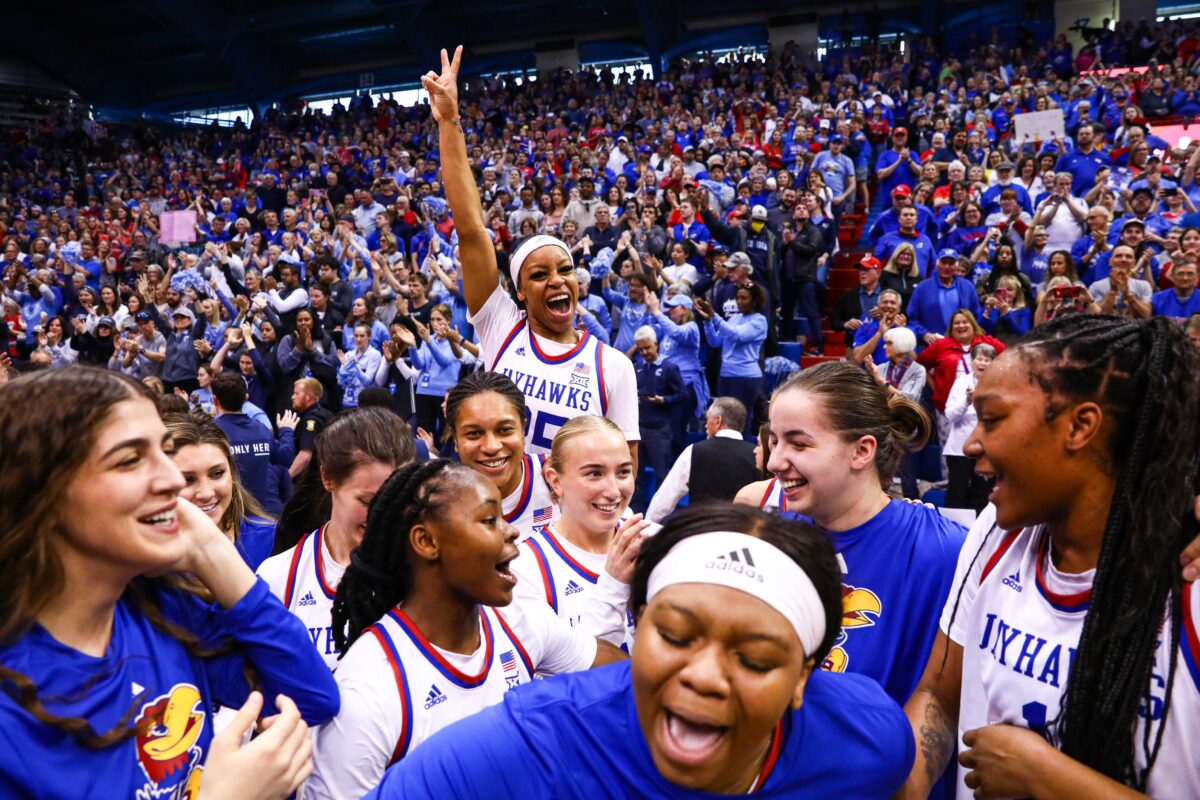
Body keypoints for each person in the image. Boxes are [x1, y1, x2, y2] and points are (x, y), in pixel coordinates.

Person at [362, 502, 915, 799]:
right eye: (674, 635)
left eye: (753, 659)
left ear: (802, 678)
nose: (703, 676)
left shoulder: (868, 738)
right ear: (640, 623)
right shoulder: (526, 746)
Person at [899, 315, 1200, 799]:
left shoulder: (1189, 580)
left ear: (1080, 425)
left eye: (992, 419)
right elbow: (939, 691)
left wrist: (1046, 776)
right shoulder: (994, 530)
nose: (972, 443)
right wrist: (902, 782)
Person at [0, 368, 338, 798]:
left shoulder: (160, 608)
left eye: (163, 451)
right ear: (40, 493)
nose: (174, 481)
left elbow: (312, 697)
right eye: (130, 460)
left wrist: (212, 552)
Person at [305, 459, 627, 799]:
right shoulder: (367, 692)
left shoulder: (518, 616)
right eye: (489, 520)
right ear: (426, 541)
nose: (512, 531)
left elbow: (617, 674)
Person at [426, 47, 638, 457]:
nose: (557, 280)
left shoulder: (614, 366)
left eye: (565, 270)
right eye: (539, 275)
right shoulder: (502, 326)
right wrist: (449, 121)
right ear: (519, 292)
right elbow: (470, 229)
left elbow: (623, 469)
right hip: (496, 499)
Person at [259, 406, 415, 670]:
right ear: (327, 478)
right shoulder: (279, 577)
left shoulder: (427, 573)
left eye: (399, 499)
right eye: (368, 501)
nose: (384, 515)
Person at [513, 415, 651, 650]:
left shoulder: (652, 541)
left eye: (623, 472)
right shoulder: (526, 570)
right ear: (555, 481)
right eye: (594, 473)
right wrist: (615, 585)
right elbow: (571, 669)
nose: (613, 491)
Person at [443, 371, 557, 540]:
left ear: (523, 431)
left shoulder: (560, 478)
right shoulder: (440, 504)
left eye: (504, 430)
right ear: (455, 439)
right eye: (474, 433)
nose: (491, 447)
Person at [164, 412, 276, 571]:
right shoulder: (144, 565)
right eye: (187, 480)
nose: (206, 493)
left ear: (232, 474)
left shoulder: (271, 539)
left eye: (217, 473)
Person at [645, 397, 758, 523]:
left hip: (700, 529)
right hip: (742, 530)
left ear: (718, 421)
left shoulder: (694, 451)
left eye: (707, 419)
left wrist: (647, 525)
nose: (705, 425)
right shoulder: (756, 455)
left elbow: (666, 497)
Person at [211, 371, 297, 515]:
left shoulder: (211, 432)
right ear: (246, 398)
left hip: (225, 514)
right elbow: (285, 457)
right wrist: (286, 431)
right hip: (257, 515)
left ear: (215, 400)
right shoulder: (260, 429)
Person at [694, 283, 768, 437]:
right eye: (738, 298)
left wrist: (714, 316)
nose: (739, 302)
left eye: (744, 298)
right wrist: (708, 322)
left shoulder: (759, 321)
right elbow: (715, 341)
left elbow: (737, 335)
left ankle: (744, 452)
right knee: (725, 421)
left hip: (746, 378)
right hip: (726, 375)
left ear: (754, 301)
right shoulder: (733, 319)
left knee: (741, 422)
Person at [867, 327, 927, 500]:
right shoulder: (880, 368)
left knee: (908, 479)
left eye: (889, 343)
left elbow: (909, 399)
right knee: (881, 475)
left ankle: (912, 511)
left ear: (901, 345)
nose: (884, 347)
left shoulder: (918, 370)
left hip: (908, 428)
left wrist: (881, 382)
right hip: (884, 426)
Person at [633, 326, 686, 502]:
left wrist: (664, 400)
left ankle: (661, 512)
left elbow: (683, 395)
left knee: (662, 475)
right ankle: (634, 511)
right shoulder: (636, 367)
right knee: (635, 475)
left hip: (659, 430)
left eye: (647, 347)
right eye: (640, 349)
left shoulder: (670, 368)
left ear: (656, 344)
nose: (644, 352)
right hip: (639, 429)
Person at [941, 343, 996, 512]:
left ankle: (979, 529)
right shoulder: (961, 382)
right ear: (972, 361)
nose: (982, 363)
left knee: (982, 497)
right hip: (959, 449)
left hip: (986, 449)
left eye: (987, 360)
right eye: (979, 359)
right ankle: (952, 528)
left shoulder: (998, 384)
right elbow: (950, 415)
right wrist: (966, 402)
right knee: (957, 495)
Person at [290, 377, 332, 479]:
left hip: (312, 478)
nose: (292, 397)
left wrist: (287, 476)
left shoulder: (312, 420)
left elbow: (305, 456)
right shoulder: (325, 413)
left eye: (296, 393)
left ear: (308, 397)